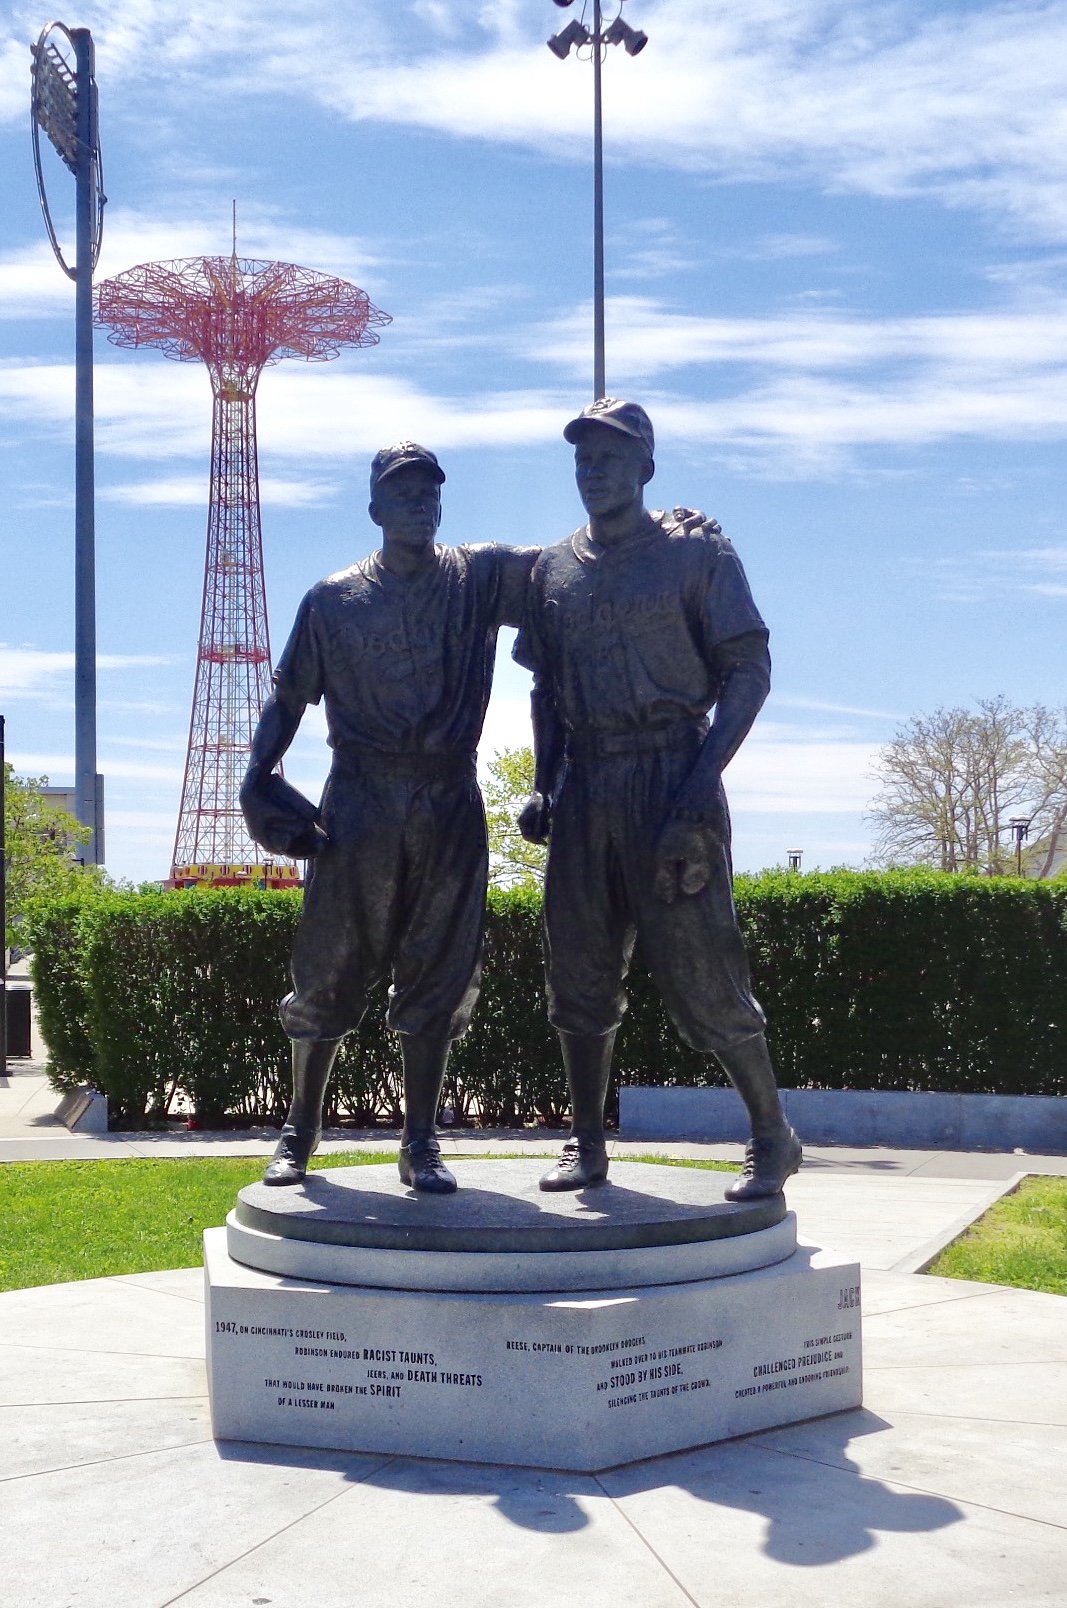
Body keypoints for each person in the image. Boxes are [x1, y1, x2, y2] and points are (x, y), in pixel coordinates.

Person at [514, 398, 802, 1200]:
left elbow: (748, 671)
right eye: (582, 459)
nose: (593, 471)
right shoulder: (552, 569)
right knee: (577, 978)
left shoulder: (695, 552)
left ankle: (771, 1135)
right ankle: (585, 1142)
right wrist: (543, 783)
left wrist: (699, 784)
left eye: (609, 457)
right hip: (585, 785)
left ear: (644, 467)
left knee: (703, 971)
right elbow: (545, 689)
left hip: (673, 772)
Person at [241, 442, 534, 1191]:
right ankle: (298, 1133)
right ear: (375, 508)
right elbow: (289, 697)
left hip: (448, 795)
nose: (418, 504)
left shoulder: (477, 576)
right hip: (360, 799)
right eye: (402, 493)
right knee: (327, 968)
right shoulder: (334, 599)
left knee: (440, 974)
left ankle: (420, 1141)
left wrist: (667, 529)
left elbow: (576, 565)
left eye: (428, 492)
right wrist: (257, 774)